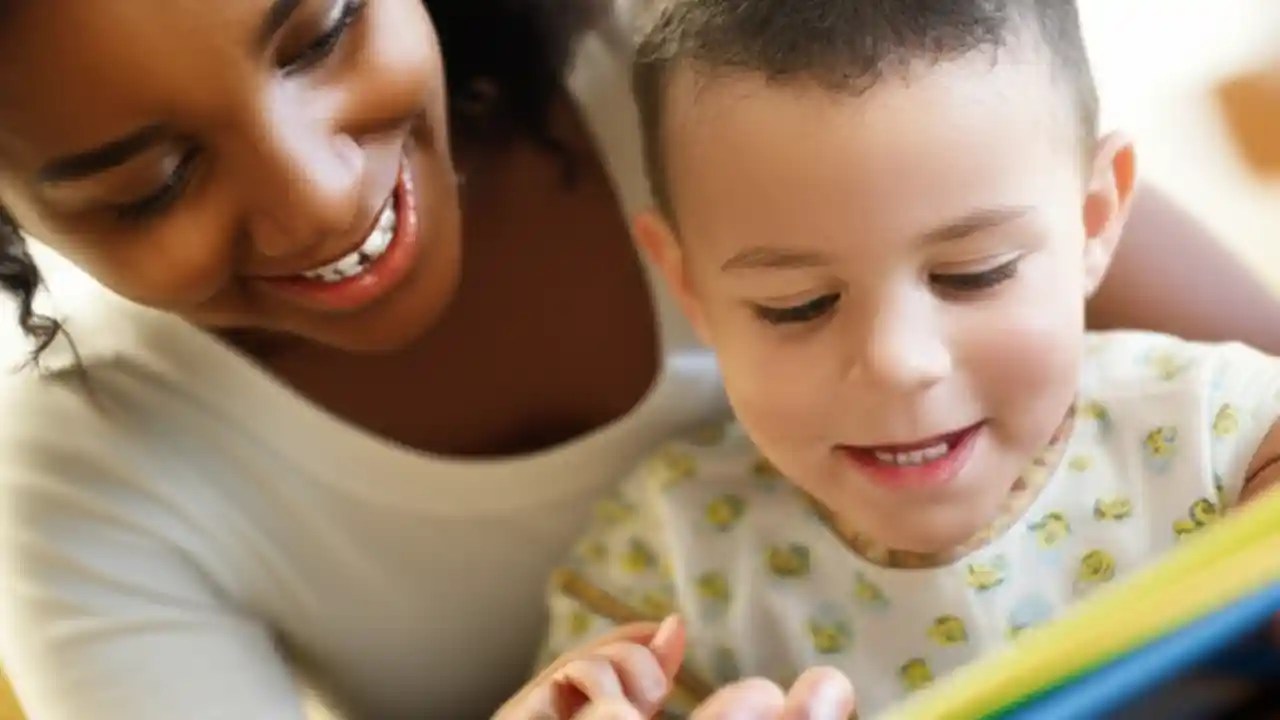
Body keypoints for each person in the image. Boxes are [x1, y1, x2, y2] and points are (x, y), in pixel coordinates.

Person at [0, 1, 1274, 719]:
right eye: (152, 182)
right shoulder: (650, 572)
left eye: (322, 30)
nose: (319, 200)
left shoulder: (712, 52)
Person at [536, 0, 1280, 717]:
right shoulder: (664, 562)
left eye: (975, 273)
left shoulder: (1225, 438)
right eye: (796, 304)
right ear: (688, 283)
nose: (898, 362)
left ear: (1093, 220)